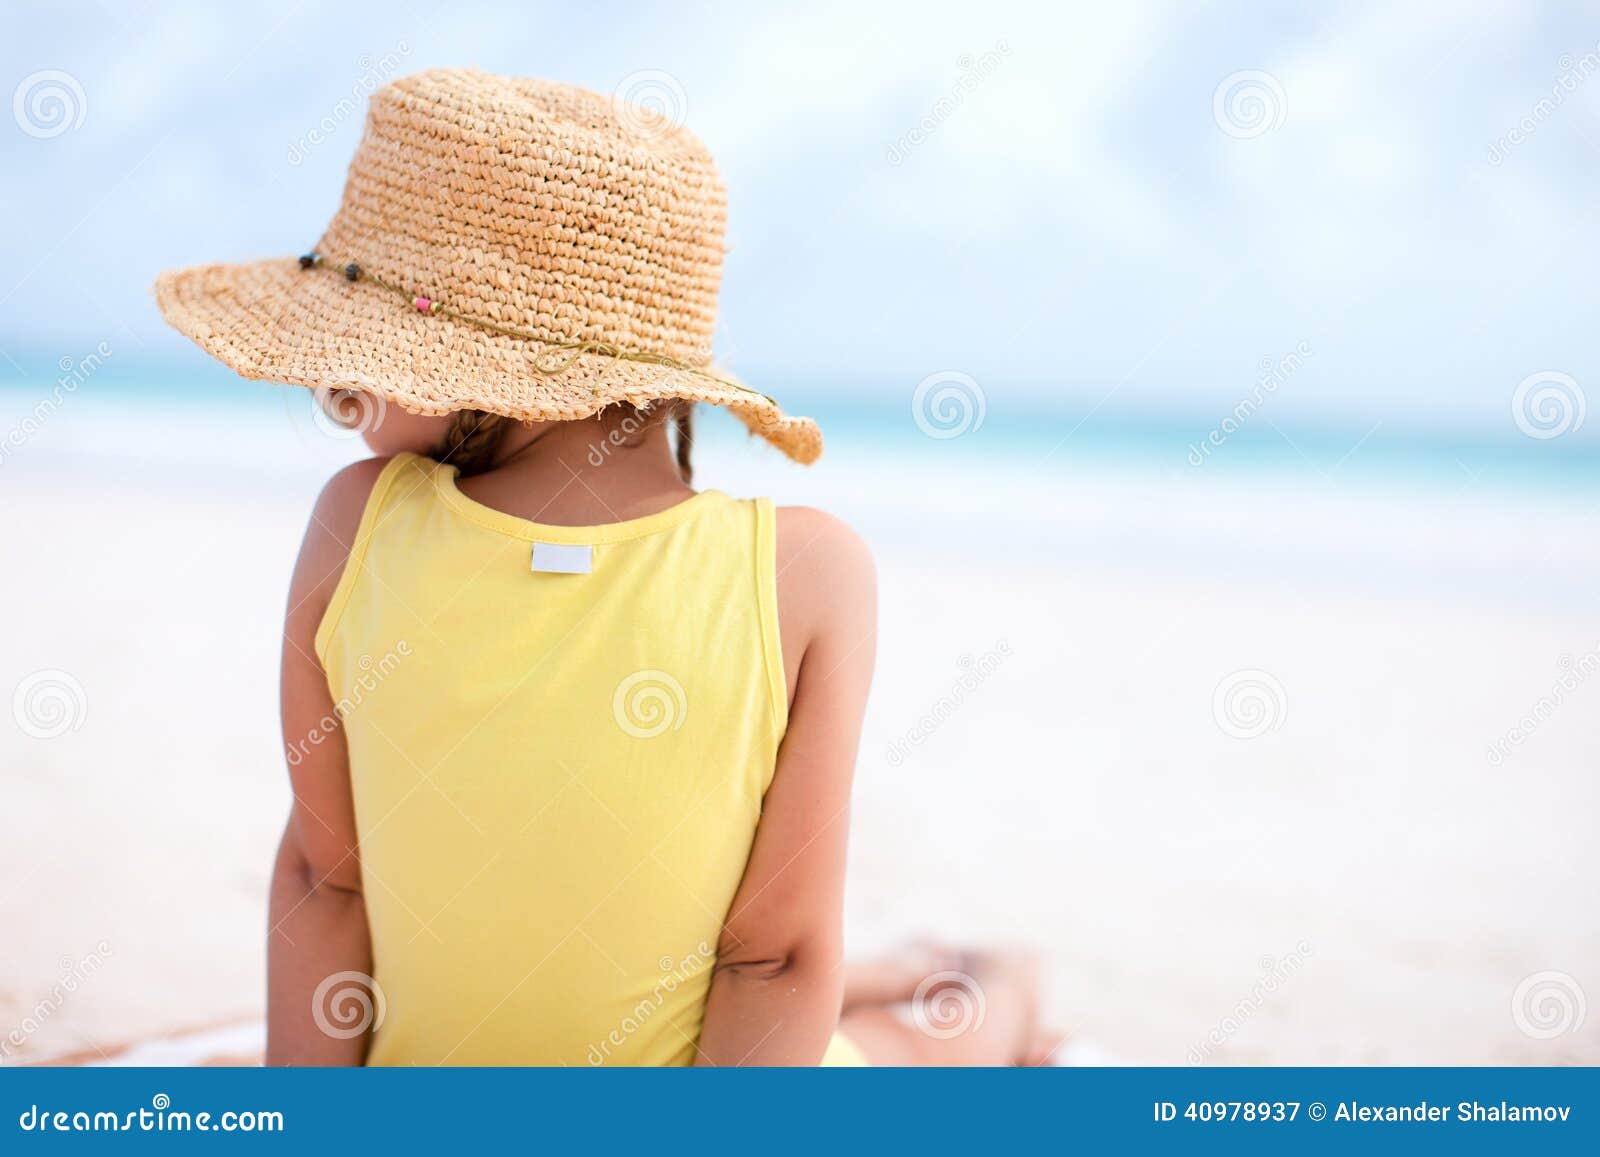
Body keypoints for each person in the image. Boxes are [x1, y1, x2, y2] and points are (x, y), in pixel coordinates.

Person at [155, 68, 1050, 1066]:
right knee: (919, 1039)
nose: (338, 394)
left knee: (974, 999)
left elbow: (328, 882)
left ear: (486, 372)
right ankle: (957, 981)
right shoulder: (806, 570)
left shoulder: (355, 526)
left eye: (346, 373)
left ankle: (997, 978)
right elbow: (774, 957)